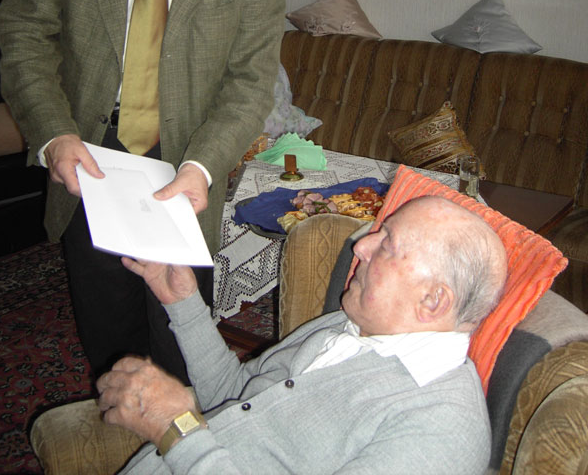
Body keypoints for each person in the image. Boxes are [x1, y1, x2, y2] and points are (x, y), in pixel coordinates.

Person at [0, 0, 285, 384]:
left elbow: (251, 79)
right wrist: (52, 137)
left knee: (184, 346)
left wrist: (204, 167)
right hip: (88, 159)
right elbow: (24, 30)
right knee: (109, 342)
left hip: (185, 165)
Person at [97, 196, 508, 475]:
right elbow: (236, 392)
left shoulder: (441, 430)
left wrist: (178, 429)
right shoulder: (349, 325)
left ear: (433, 300)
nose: (362, 246)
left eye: (388, 244)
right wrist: (184, 303)